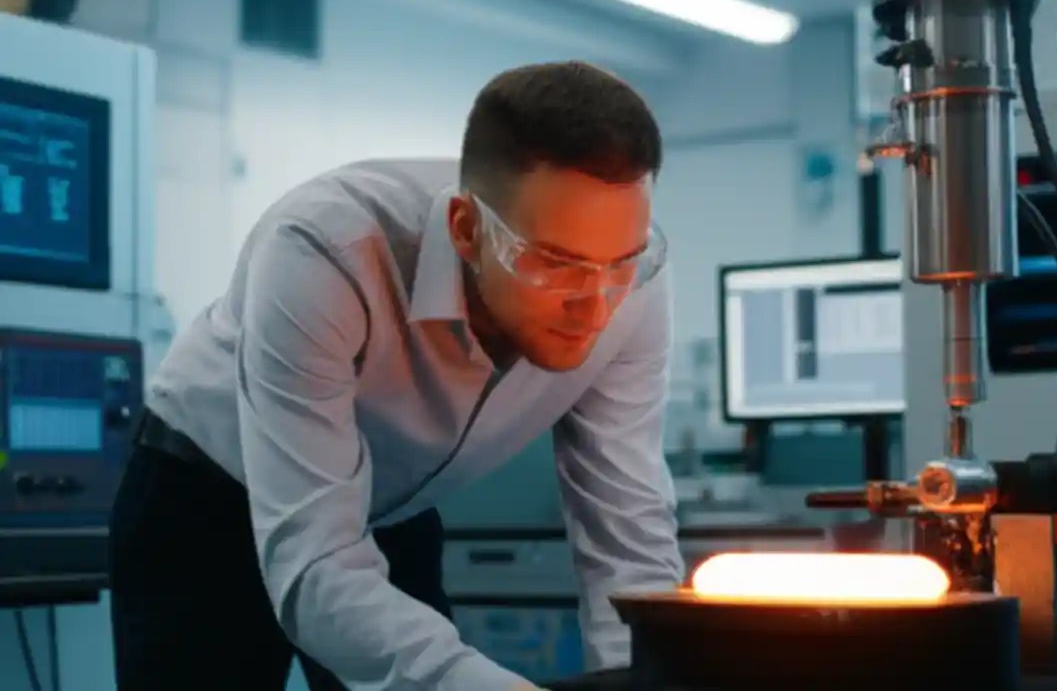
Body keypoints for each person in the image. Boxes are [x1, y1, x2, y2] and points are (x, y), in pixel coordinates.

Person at [108, 60, 685, 690]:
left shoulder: (637, 284)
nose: (596, 304)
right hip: (208, 492)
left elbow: (627, 533)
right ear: (467, 230)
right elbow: (317, 566)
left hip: (393, 500)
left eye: (619, 263)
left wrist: (650, 678)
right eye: (555, 264)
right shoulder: (324, 248)